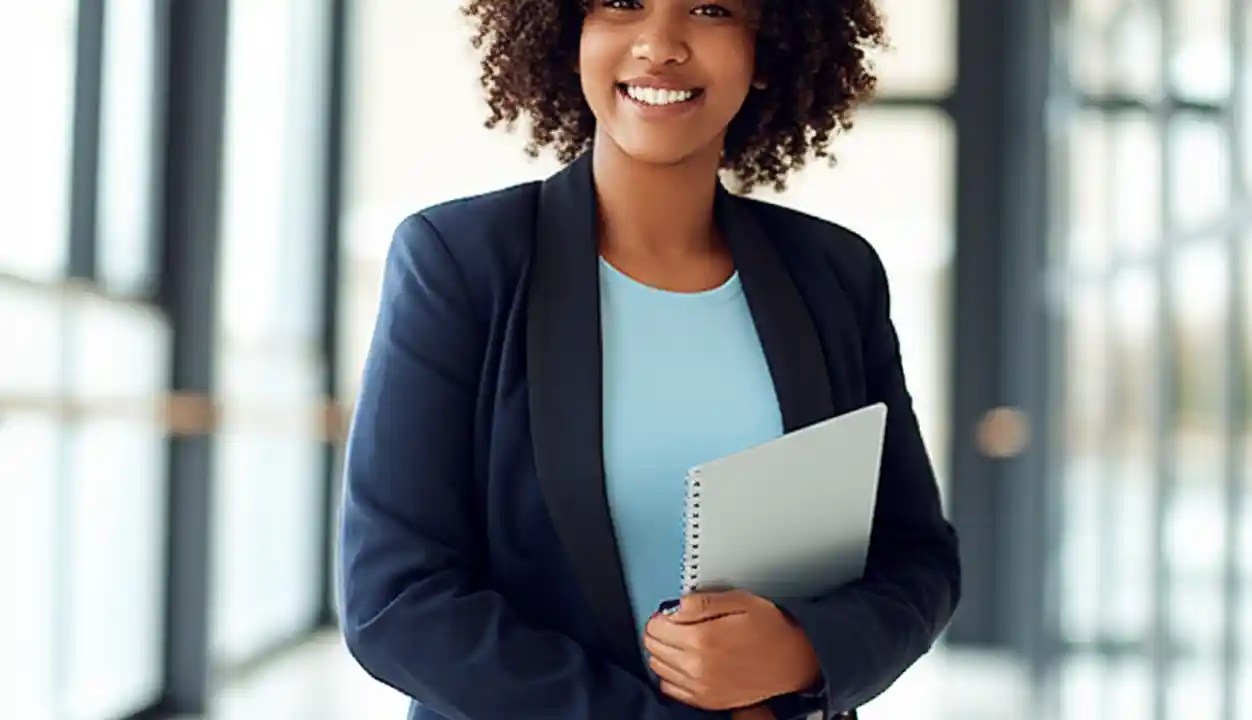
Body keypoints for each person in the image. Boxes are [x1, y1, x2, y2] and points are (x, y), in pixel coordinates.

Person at [338, 1, 960, 718]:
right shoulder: (460, 264)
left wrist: (804, 651)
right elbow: (397, 601)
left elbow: (917, 558)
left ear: (770, 46)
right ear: (567, 33)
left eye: (711, 8)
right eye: (621, 2)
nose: (660, 45)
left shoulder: (834, 275)